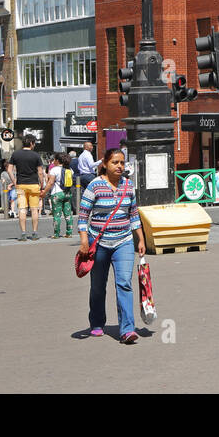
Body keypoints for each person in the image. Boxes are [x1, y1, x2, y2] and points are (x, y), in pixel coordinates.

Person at [78, 147, 145, 343]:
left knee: (124, 283)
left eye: (122, 163)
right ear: (105, 164)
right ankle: (97, 322)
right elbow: (83, 216)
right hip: (98, 243)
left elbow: (133, 214)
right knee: (98, 285)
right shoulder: (95, 186)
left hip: (123, 241)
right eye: (115, 162)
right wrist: (84, 240)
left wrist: (140, 238)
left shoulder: (128, 186)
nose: (119, 166)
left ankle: (127, 329)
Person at [7, 136, 46, 241]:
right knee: (34, 209)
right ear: (32, 143)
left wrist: (14, 182)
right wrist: (41, 184)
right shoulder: (36, 155)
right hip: (34, 184)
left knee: (22, 209)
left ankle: (23, 233)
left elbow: (9, 170)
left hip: (20, 185)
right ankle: (34, 233)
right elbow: (40, 172)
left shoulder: (15, 154)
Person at [46, 153, 74, 239]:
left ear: (58, 161)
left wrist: (44, 192)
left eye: (54, 159)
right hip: (67, 193)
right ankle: (69, 233)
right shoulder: (70, 169)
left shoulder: (54, 169)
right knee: (68, 214)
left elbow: (50, 182)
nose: (53, 161)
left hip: (57, 194)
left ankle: (56, 234)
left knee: (56, 215)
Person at [76, 141, 96, 210]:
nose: (92, 147)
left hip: (82, 176)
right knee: (93, 192)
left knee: (84, 193)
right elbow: (91, 165)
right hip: (89, 175)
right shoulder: (88, 154)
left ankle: (84, 207)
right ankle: (93, 207)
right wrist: (101, 161)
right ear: (87, 147)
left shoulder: (81, 155)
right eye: (91, 146)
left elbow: (79, 167)